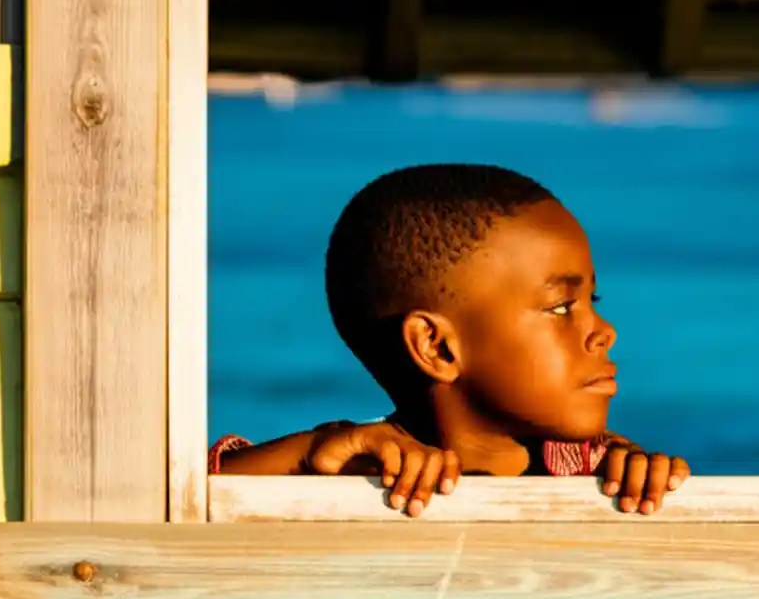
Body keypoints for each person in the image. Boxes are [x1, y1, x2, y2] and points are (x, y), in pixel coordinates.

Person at [210, 164, 690, 516]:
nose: (605, 331)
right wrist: (309, 456)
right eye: (562, 307)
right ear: (436, 347)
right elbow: (180, 496)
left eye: (592, 300)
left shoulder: (605, 473)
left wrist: (648, 484)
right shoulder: (360, 469)